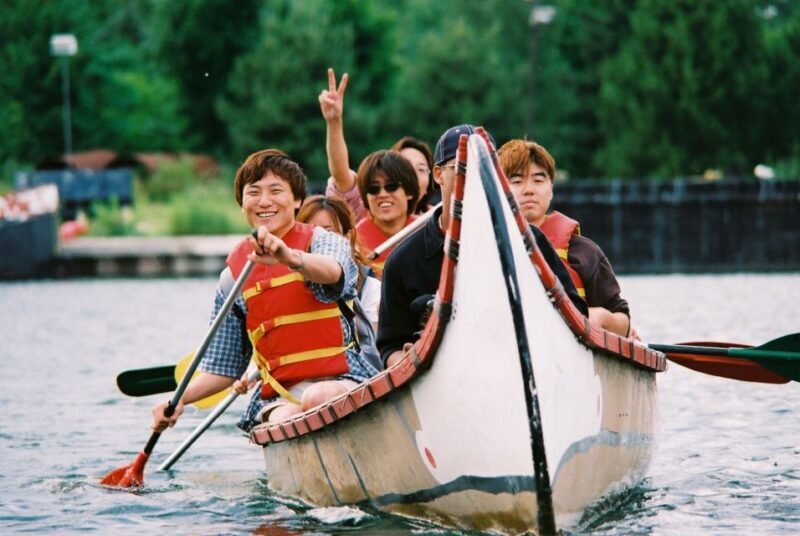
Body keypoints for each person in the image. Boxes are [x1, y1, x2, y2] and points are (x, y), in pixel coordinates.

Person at [152, 149, 379, 433]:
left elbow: (333, 271)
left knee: (316, 397)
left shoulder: (324, 241)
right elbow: (223, 368)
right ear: (242, 202)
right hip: (280, 395)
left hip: (345, 378)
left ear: (297, 200)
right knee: (286, 418)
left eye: (276, 191)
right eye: (254, 192)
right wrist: (178, 401)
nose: (264, 201)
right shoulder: (232, 278)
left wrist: (289, 257)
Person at [378, 125, 588, 368]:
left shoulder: (529, 243)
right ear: (438, 174)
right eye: (461, 169)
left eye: (484, 169)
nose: (473, 179)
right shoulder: (402, 262)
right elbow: (389, 347)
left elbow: (576, 315)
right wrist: (408, 360)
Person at [497, 139, 632, 337]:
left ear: (551, 190)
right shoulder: (484, 250)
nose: (529, 189)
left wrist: (604, 318)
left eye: (538, 180)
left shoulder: (585, 252)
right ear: (499, 190)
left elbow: (624, 323)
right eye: (516, 181)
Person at [319, 68, 434, 219]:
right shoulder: (369, 206)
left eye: (421, 169)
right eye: (406, 166)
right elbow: (341, 175)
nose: (412, 174)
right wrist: (334, 122)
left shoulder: (437, 221)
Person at [296, 195, 381, 370]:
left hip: (352, 373)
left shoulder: (371, 288)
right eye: (311, 232)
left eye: (328, 232)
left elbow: (373, 343)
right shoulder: (289, 283)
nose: (320, 241)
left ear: (347, 237)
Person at [353, 150, 419, 278]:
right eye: (373, 188)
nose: (382, 194)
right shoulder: (355, 242)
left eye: (391, 186)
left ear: (409, 191)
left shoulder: (428, 231)